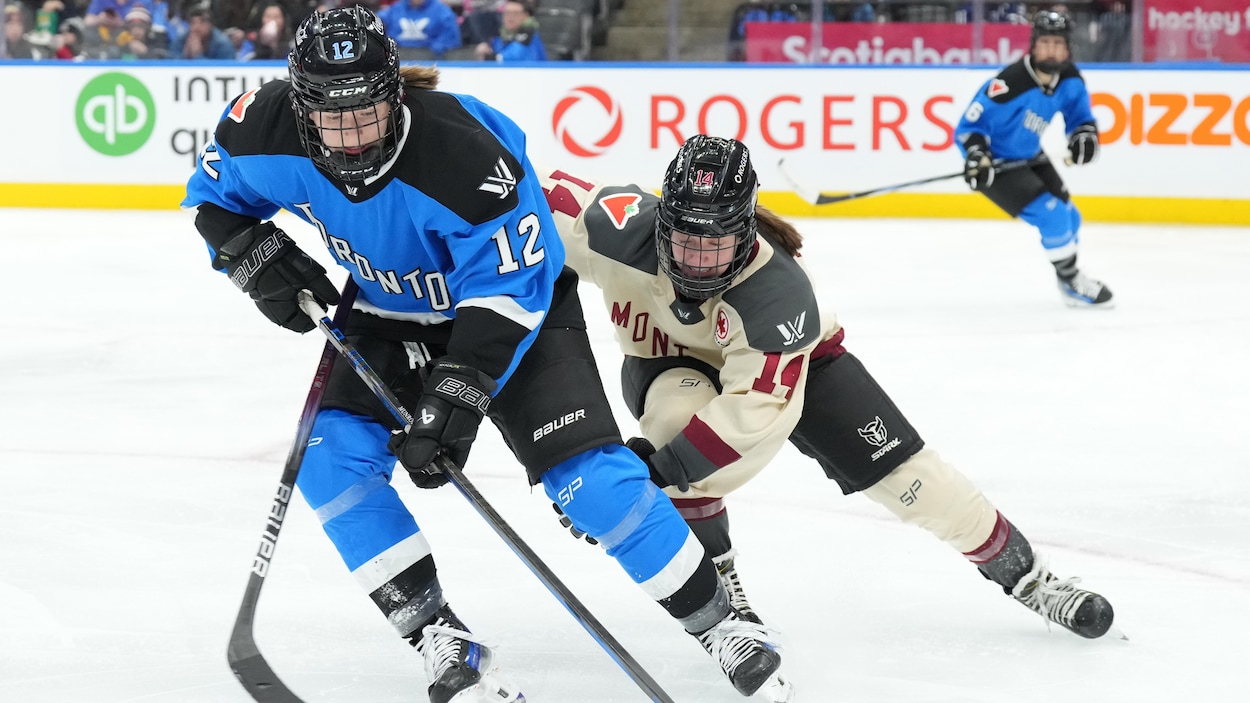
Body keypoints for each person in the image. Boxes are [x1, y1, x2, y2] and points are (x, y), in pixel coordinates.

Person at [182, 7, 791, 703]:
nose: (351, 140)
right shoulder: (261, 126)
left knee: (591, 484)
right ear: (301, 104)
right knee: (329, 457)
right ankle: (439, 634)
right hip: (385, 310)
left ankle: (725, 625)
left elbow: (514, 285)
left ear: (395, 93)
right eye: (332, 117)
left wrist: (458, 391)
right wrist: (250, 256)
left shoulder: (468, 157)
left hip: (514, 316)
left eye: (369, 114)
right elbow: (212, 197)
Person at [540, 135, 1117, 646]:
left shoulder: (779, 295)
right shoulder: (611, 226)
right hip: (669, 362)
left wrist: (651, 479)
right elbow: (521, 201)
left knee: (911, 479)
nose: (696, 262)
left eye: (714, 246)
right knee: (672, 420)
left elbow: (750, 418)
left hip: (796, 367)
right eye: (684, 240)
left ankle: (1029, 575)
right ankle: (717, 575)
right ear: (662, 218)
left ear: (744, 233)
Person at [955, 10, 1112, 307]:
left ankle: (1067, 278)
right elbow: (968, 128)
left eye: (1058, 44)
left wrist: (1084, 137)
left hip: (1030, 155)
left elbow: (1080, 119)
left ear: (1067, 48)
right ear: (1033, 45)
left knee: (1071, 217)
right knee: (1052, 217)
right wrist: (977, 155)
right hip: (996, 165)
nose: (1051, 50)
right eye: (1045, 43)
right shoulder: (1008, 85)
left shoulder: (1070, 79)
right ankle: (1071, 280)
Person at [377, 0, 460, 58]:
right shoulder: (395, 9)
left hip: (431, 60)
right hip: (399, 57)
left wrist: (432, 52)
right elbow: (377, 22)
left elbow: (450, 37)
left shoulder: (443, 12)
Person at [473, 0, 544, 62]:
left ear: (526, 15)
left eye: (515, 13)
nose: (510, 18)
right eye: (507, 13)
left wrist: (488, 57)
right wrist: (486, 49)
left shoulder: (528, 32)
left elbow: (513, 57)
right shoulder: (500, 35)